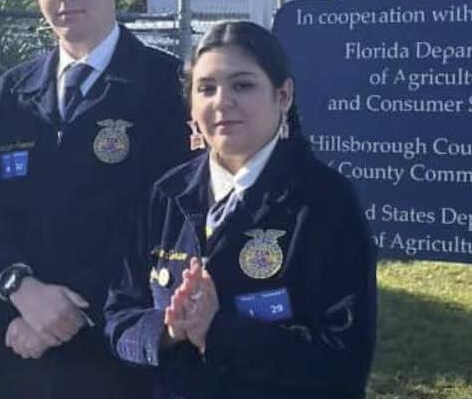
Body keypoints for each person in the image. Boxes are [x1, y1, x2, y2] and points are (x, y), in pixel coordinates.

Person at [0, 0, 189, 399]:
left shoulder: (166, 88)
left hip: (118, 349)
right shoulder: (11, 92)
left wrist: (70, 305)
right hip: (21, 346)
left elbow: (164, 219)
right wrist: (19, 288)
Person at [105, 20, 377, 399]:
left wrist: (216, 332)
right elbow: (119, 316)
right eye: (206, 88)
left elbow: (343, 362)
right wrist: (167, 332)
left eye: (242, 85)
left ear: (283, 96)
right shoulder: (167, 194)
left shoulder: (324, 202)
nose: (221, 101)